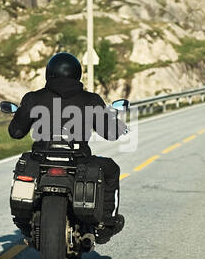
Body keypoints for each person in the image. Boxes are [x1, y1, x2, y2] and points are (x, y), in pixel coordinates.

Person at [8, 51, 126, 242]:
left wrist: (20, 114)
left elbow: (15, 132)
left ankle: (23, 220)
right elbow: (110, 133)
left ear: (49, 73)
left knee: (24, 164)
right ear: (77, 74)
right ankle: (106, 223)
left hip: (41, 159)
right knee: (111, 168)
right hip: (78, 160)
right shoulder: (91, 100)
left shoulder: (33, 98)